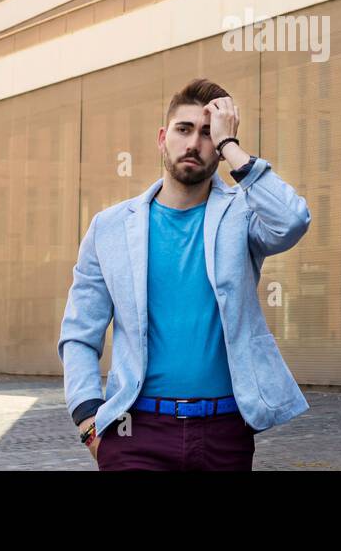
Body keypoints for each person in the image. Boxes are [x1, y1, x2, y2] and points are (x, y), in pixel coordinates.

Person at [58, 78, 312, 470]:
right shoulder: (108, 228)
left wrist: (233, 149)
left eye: (209, 134)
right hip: (134, 431)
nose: (194, 143)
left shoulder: (243, 216)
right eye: (184, 129)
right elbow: (79, 333)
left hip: (224, 430)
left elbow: (292, 221)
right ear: (163, 137)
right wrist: (88, 419)